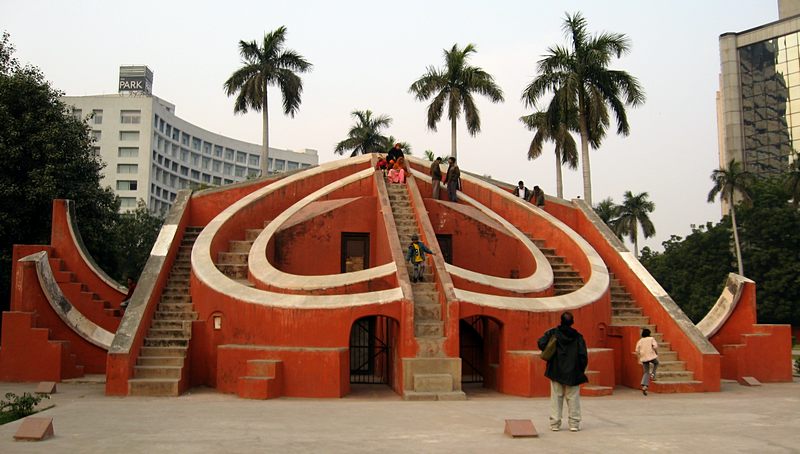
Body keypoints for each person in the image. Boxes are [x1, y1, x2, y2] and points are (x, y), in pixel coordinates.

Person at [537, 311, 588, 432]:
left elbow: (541, 343)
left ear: (561, 320)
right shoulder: (578, 337)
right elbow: (583, 356)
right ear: (572, 322)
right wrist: (580, 370)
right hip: (573, 372)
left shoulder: (553, 333)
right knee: (573, 398)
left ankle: (555, 424)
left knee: (556, 398)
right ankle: (574, 424)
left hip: (556, 370)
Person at [635, 328, 659, 396]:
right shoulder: (651, 339)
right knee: (656, 363)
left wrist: (639, 358)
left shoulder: (640, 341)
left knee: (646, 372)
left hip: (644, 357)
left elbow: (637, 350)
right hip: (651, 356)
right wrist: (656, 352)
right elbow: (655, 346)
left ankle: (644, 386)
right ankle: (653, 375)